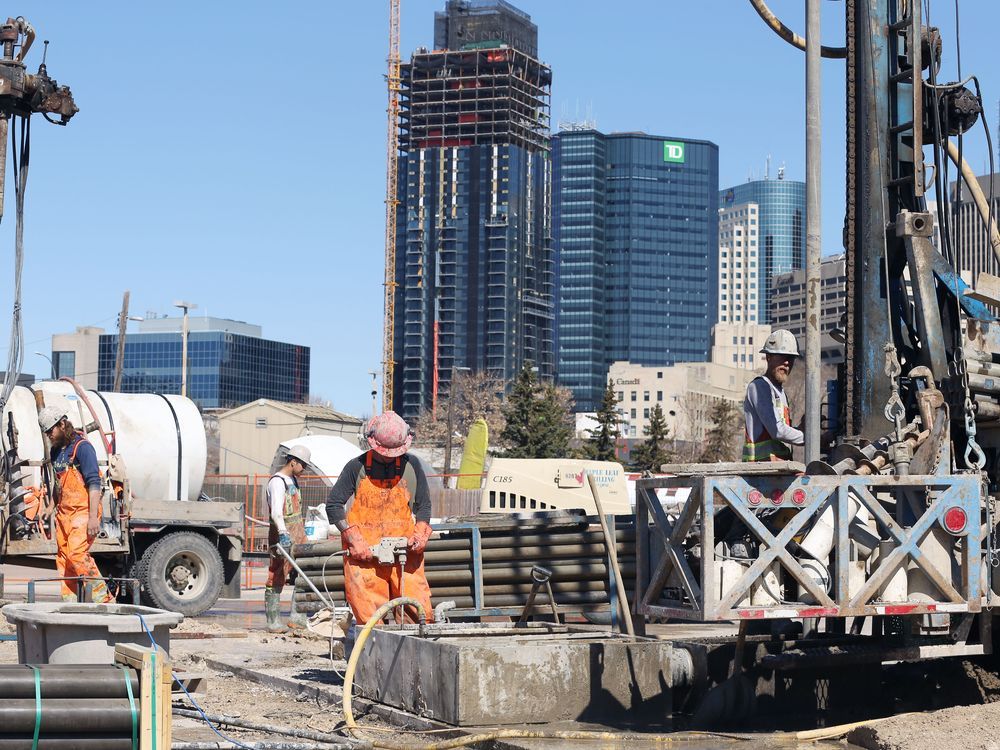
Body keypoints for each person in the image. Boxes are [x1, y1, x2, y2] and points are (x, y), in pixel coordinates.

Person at [326, 411, 434, 626]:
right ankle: (371, 655)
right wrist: (353, 538)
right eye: (387, 452)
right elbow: (334, 506)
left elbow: (424, 505)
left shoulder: (412, 466)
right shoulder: (356, 467)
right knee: (370, 620)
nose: (391, 456)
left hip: (405, 552)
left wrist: (421, 533)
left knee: (417, 612)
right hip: (367, 556)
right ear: (372, 443)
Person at [37, 406, 113, 603]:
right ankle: (69, 602)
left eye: (50, 431)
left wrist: (92, 517)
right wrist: (49, 507)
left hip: (84, 510)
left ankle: (103, 600)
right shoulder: (56, 451)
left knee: (77, 553)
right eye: (46, 432)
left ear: (62, 424)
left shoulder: (82, 448)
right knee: (64, 558)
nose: (48, 436)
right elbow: (58, 485)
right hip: (64, 513)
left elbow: (94, 484)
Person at [265, 444, 311, 632]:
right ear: (293, 462)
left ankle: (297, 618)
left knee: (304, 573)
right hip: (282, 534)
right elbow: (277, 512)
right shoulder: (277, 482)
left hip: (298, 533)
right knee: (278, 574)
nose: (304, 470)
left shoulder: (293, 480)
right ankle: (273, 621)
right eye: (303, 466)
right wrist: (283, 533)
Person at [743, 329, 805, 462]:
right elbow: (777, 430)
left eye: (790, 358)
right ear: (768, 357)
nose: (787, 363)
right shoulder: (760, 387)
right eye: (782, 356)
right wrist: (810, 438)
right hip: (760, 469)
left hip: (778, 468)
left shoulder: (781, 393)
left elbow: (780, 430)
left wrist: (800, 430)